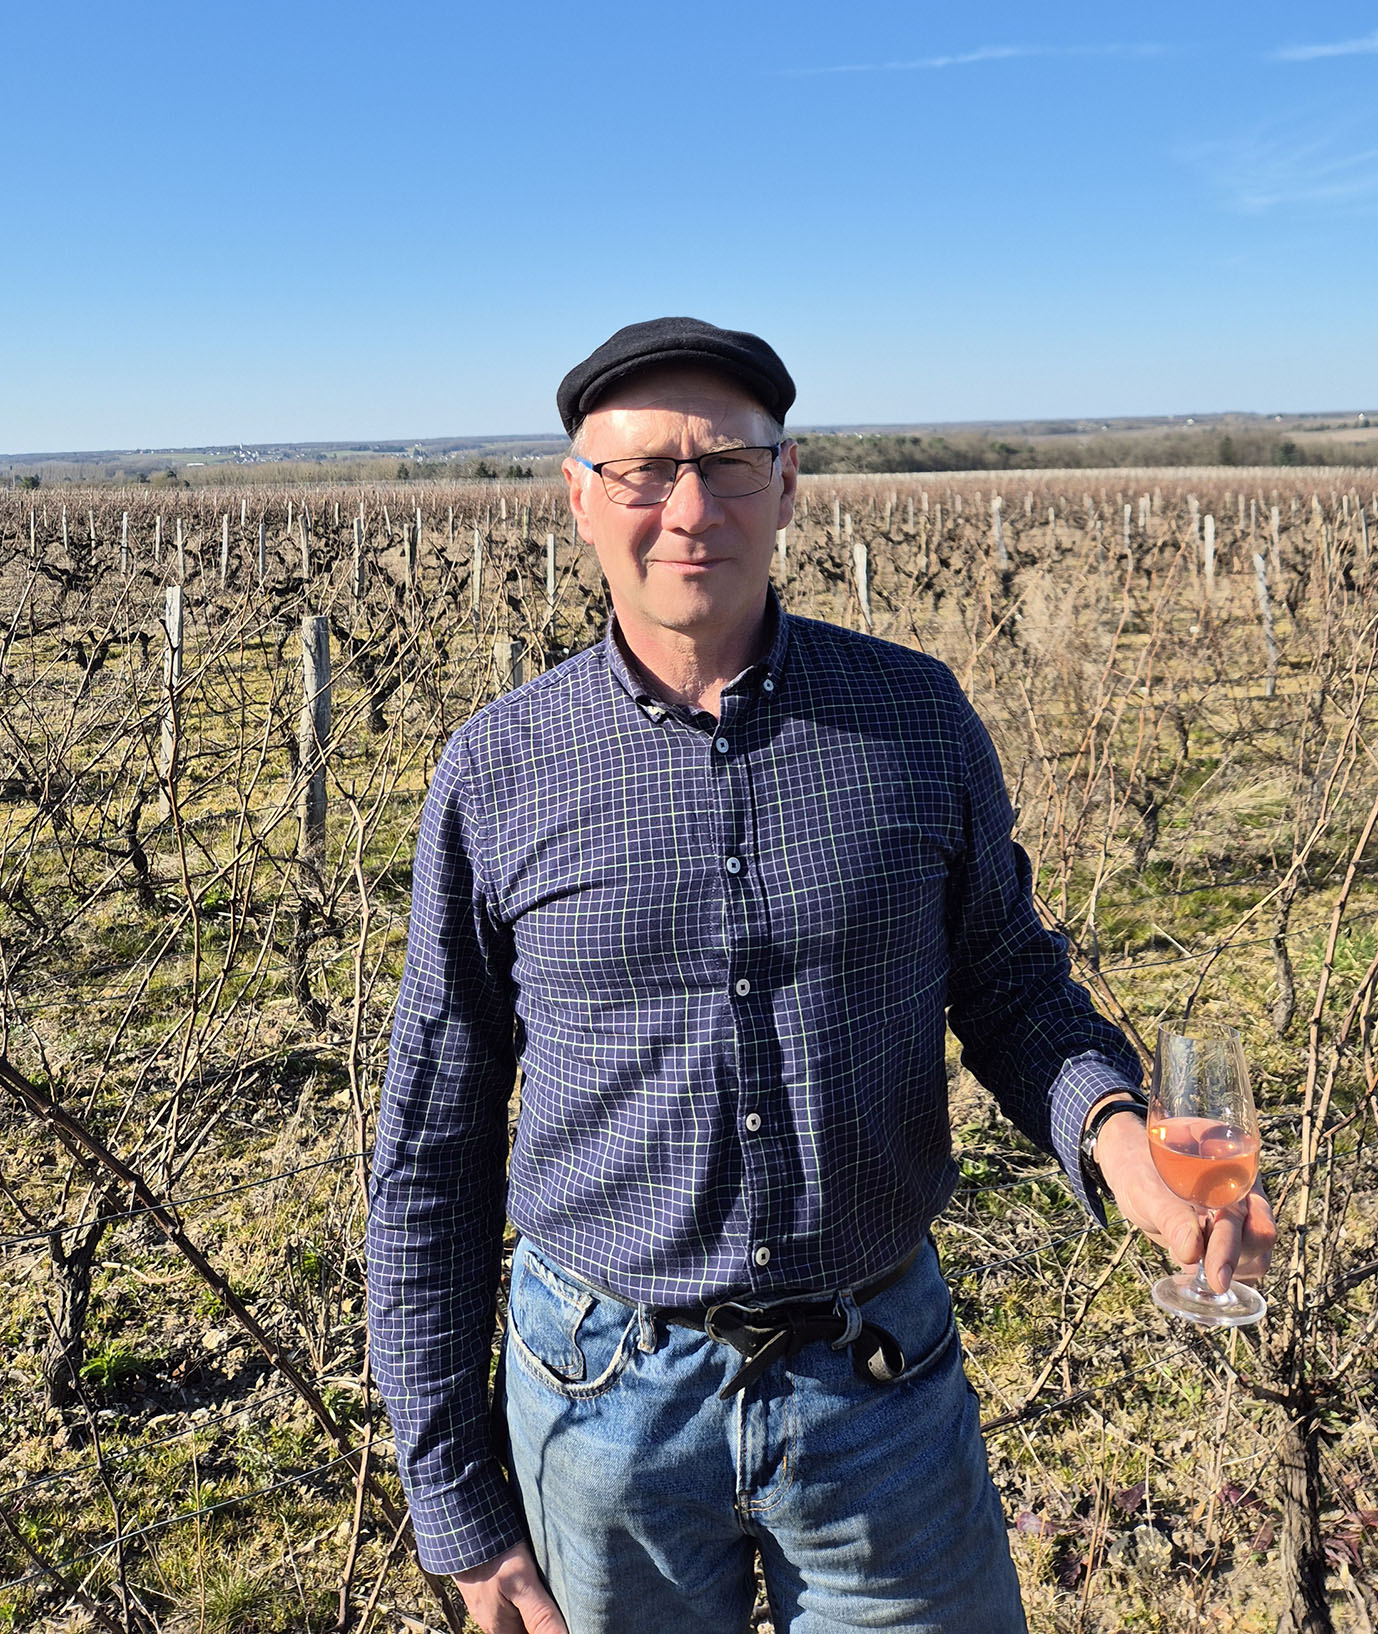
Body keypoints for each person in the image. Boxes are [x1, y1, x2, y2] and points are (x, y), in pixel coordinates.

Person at [367, 317, 1276, 1634]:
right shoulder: (500, 772)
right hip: (599, 1407)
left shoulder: (914, 718)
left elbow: (1010, 986)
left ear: (789, 481)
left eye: (730, 463)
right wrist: (457, 1503)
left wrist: (1124, 1149)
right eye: (644, 470)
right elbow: (431, 1147)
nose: (691, 508)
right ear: (579, 496)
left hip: (878, 1383)